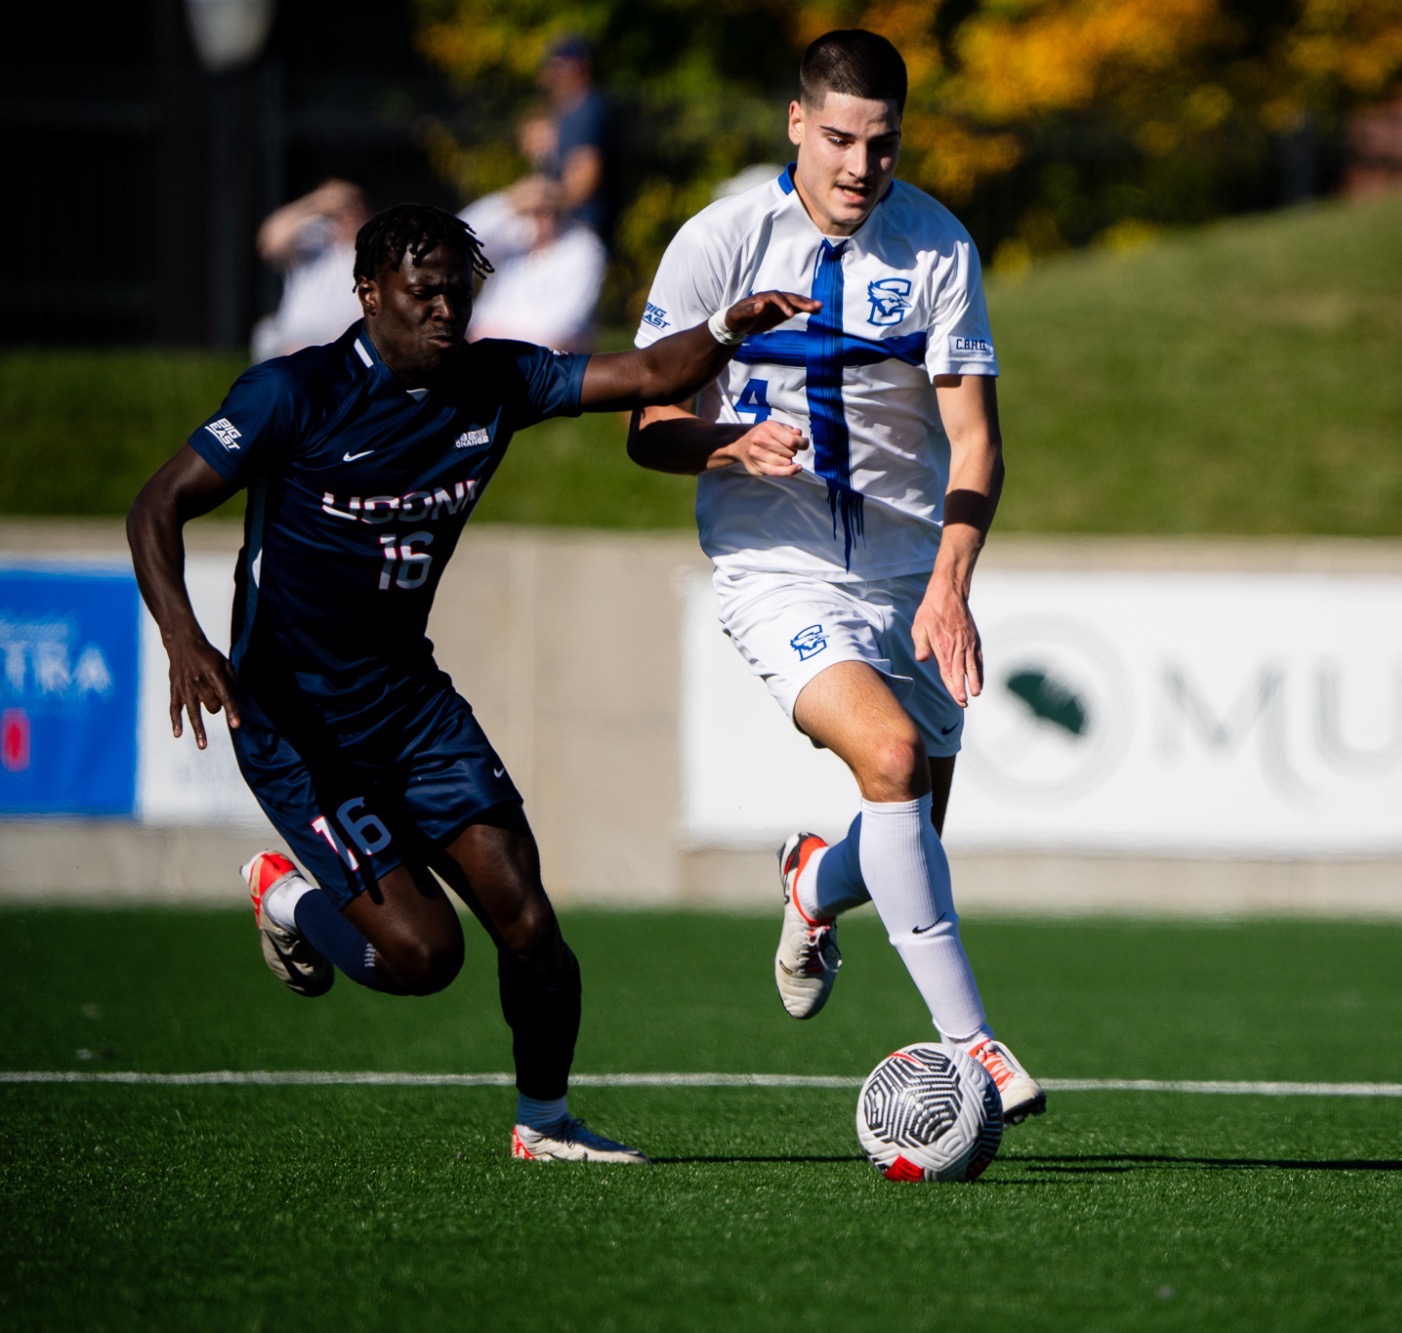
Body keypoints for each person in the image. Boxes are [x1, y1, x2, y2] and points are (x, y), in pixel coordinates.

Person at [127, 203, 816, 1163]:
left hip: (411, 707)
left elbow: (652, 376)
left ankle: (545, 1122)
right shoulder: (292, 394)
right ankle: (288, 896)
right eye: (424, 293)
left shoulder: (497, 379)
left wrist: (730, 328)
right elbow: (157, 503)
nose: (447, 310)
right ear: (369, 295)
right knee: (422, 958)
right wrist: (184, 637)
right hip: (297, 727)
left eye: (460, 290)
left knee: (529, 920)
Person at [627, 30, 1044, 1125]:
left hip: (913, 569)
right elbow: (648, 426)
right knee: (893, 755)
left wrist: (950, 581)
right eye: (843, 140)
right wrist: (725, 445)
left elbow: (976, 443)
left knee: (908, 821)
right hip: (776, 566)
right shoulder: (718, 241)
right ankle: (975, 1050)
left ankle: (814, 880)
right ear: (797, 125)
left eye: (885, 144)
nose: (862, 167)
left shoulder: (938, 247)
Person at [461, 176, 607, 352]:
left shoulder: (584, 249)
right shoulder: (513, 236)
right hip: (486, 343)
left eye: (547, 210)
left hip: (544, 353)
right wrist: (507, 202)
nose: (539, 218)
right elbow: (457, 238)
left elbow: (567, 321)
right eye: (532, 211)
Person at [251, 179, 370, 362]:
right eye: (340, 206)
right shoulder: (313, 238)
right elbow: (270, 243)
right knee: (268, 336)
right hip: (296, 337)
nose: (346, 212)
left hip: (347, 341)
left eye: (352, 203)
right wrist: (316, 203)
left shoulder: (375, 249)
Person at [535, 36, 614, 237]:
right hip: (570, 225)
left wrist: (542, 202)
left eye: (561, 67)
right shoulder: (567, 111)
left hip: (584, 227)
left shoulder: (588, 110)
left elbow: (586, 179)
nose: (555, 74)